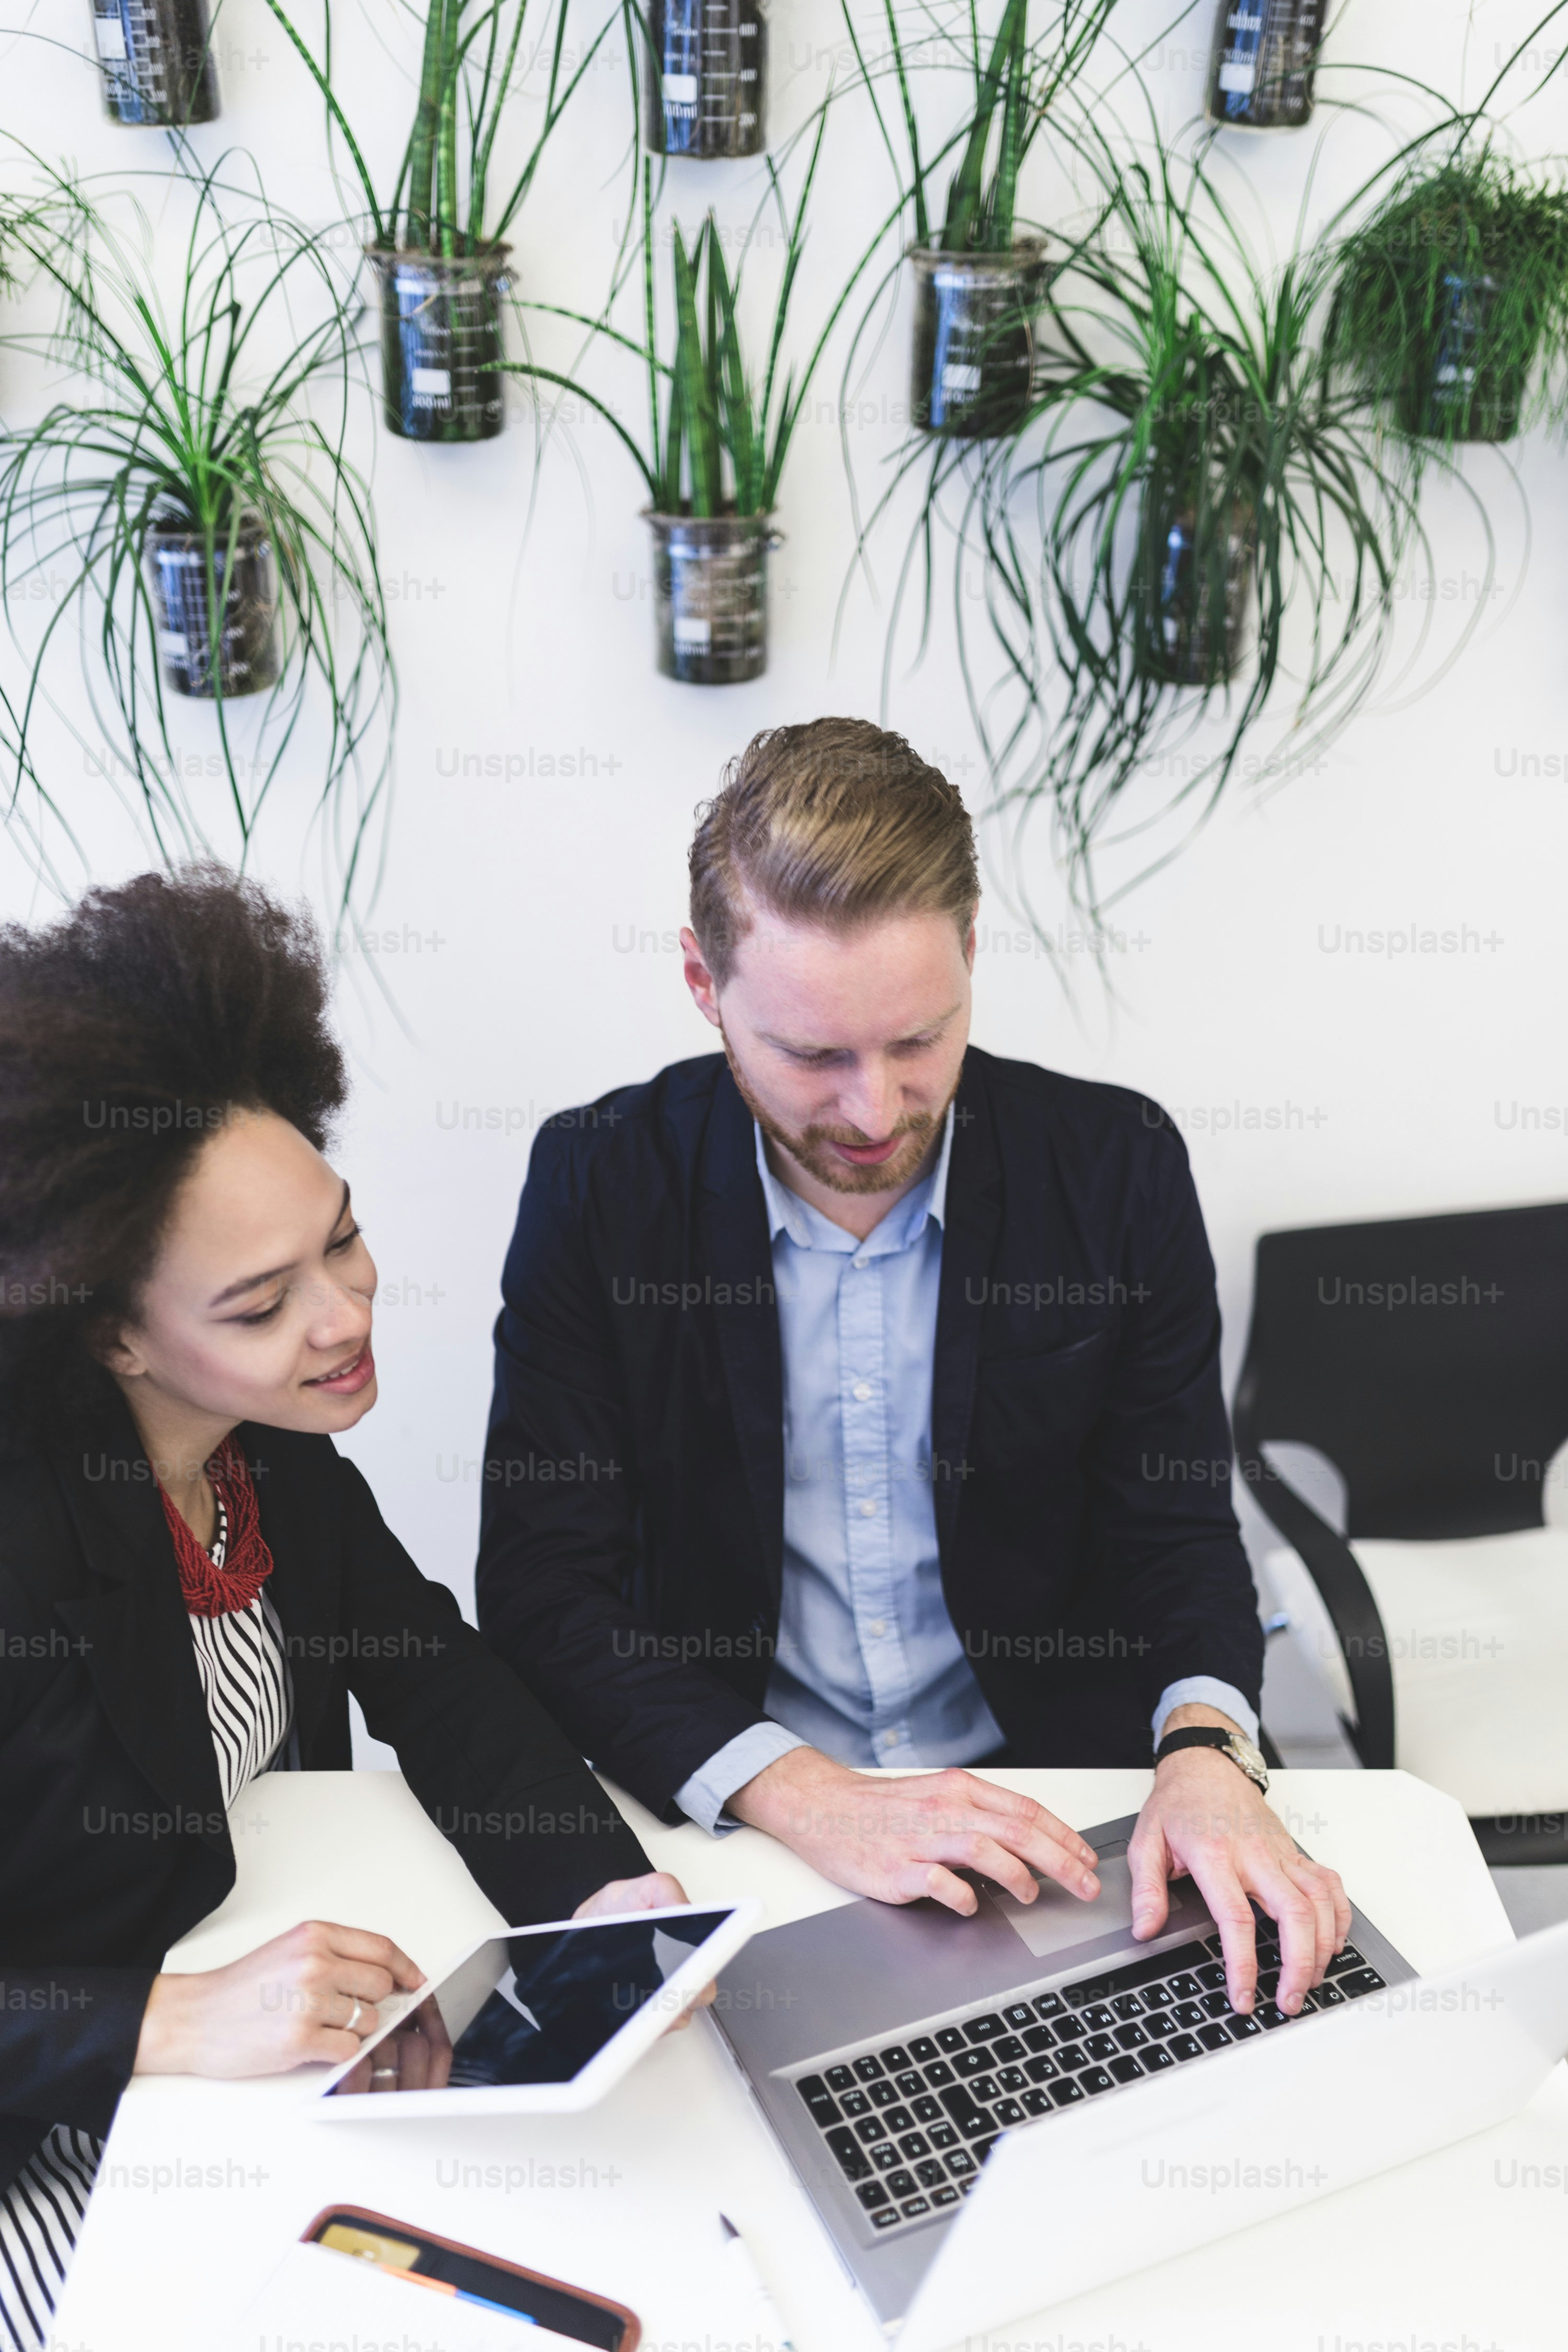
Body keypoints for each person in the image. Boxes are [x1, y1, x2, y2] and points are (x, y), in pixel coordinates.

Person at [477, 717, 1350, 2035]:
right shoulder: (600, 1184)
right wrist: (805, 1794)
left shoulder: (1115, 1168)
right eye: (813, 1056)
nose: (875, 1112)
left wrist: (1207, 1753)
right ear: (704, 984)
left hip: (1073, 1803)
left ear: (972, 954)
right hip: (744, 1823)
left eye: (919, 1041)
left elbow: (1173, 1531)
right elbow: (542, 1586)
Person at [0, 867, 690, 2352]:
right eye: (261, 1304)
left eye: (343, 1238)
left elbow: (439, 1679)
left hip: (253, 2067)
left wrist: (601, 1899)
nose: (345, 1313)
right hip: (52, 2127)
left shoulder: (270, 1457)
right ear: (114, 1334)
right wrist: (168, 2018)